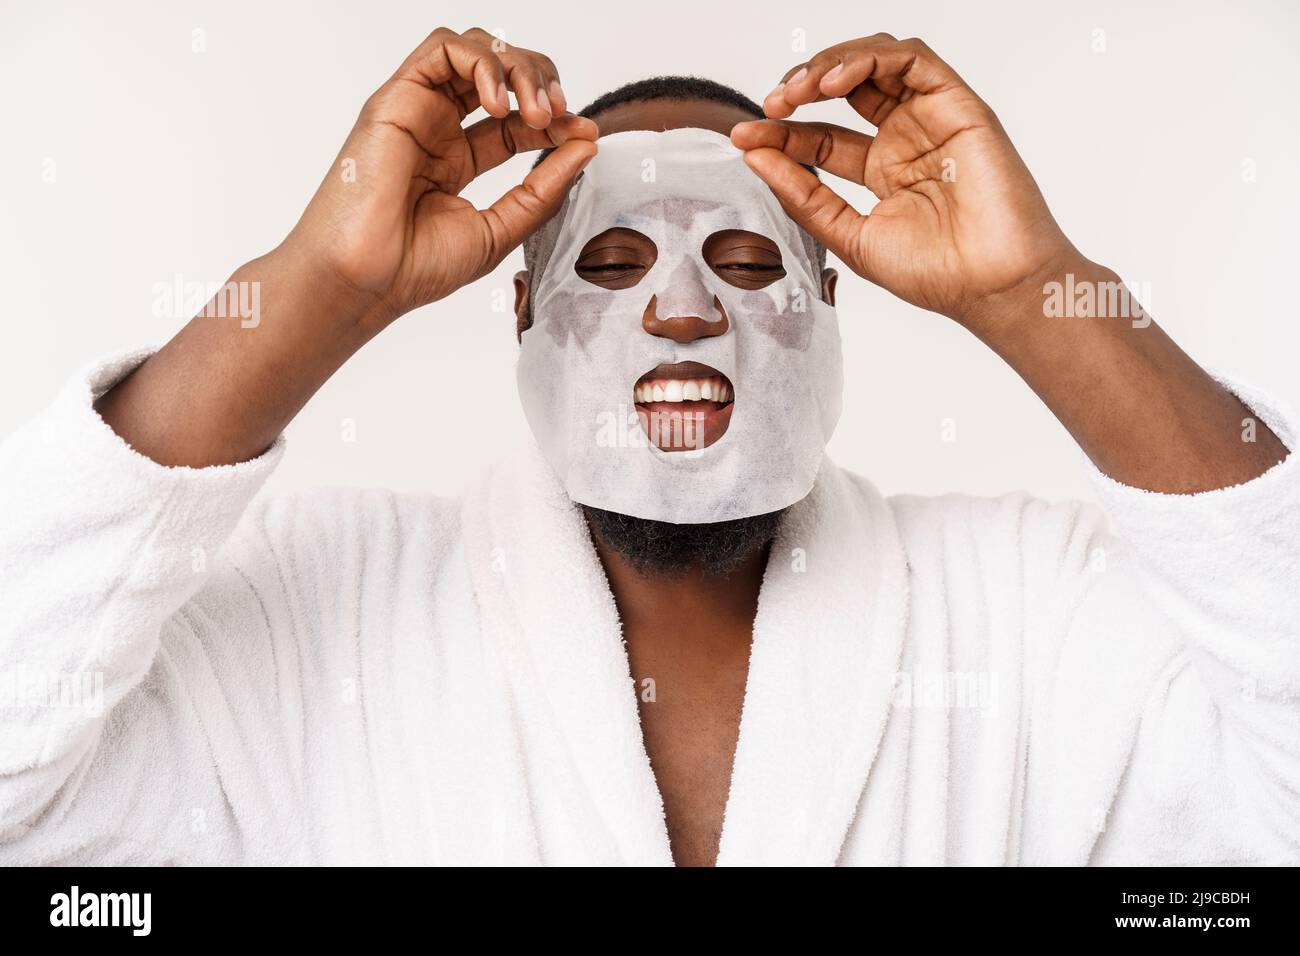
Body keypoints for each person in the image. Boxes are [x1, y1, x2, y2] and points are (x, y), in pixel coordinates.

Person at [1, 27, 1296, 867]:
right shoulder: (310, 620)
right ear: (519, 307)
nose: (681, 307)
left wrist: (1039, 291)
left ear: (832, 298)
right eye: (611, 263)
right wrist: (314, 288)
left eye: (743, 259)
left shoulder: (1023, 616)